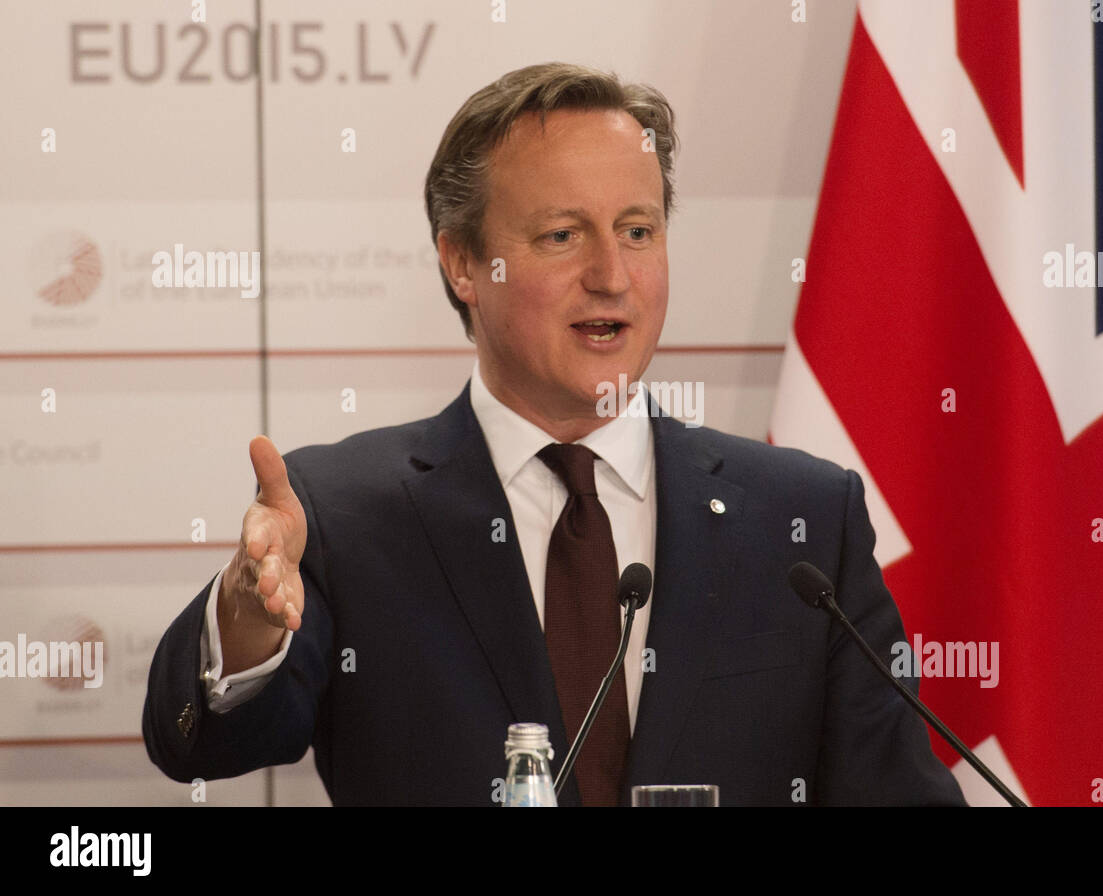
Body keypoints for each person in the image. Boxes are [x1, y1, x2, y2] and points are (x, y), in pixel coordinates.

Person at [143, 62, 966, 807]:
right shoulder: (346, 514)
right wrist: (247, 616)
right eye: (563, 235)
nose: (611, 275)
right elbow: (205, 746)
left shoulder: (802, 521)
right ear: (463, 263)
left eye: (638, 230)